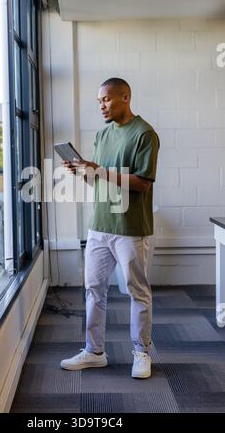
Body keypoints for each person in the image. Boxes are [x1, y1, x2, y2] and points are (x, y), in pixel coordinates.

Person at [60, 78, 160, 378]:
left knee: (137, 292)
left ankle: (141, 352)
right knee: (93, 289)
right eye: (99, 101)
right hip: (99, 226)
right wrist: (83, 173)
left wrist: (100, 170)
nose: (101, 105)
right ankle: (94, 352)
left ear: (125, 97)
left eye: (106, 99)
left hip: (131, 227)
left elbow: (142, 183)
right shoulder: (102, 135)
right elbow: (98, 182)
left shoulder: (145, 134)